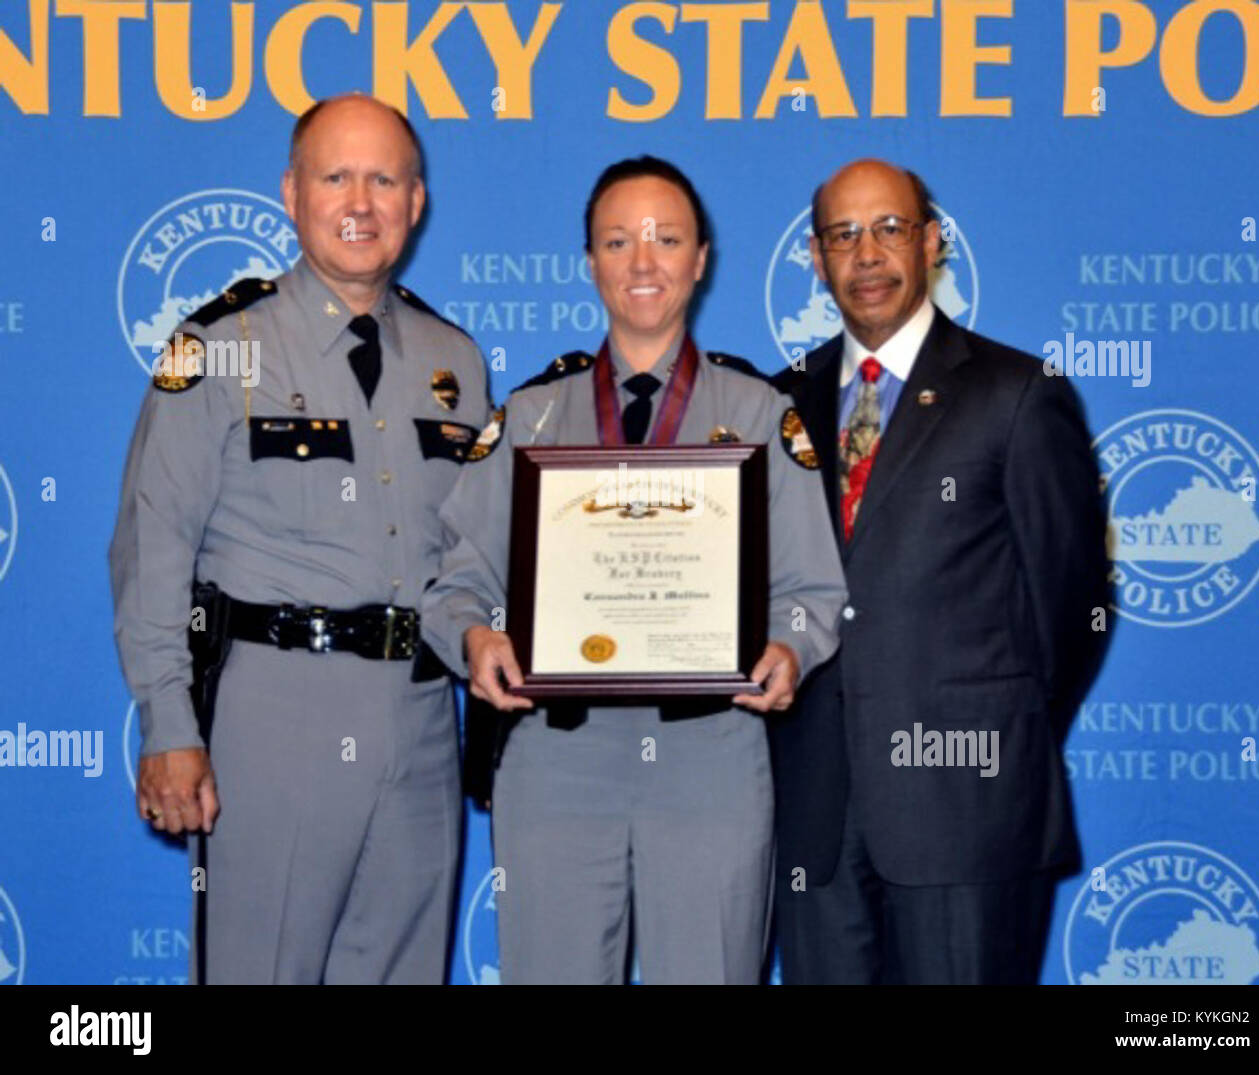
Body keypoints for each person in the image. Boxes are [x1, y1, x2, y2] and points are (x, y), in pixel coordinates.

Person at [422, 156, 846, 984]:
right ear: (589, 263)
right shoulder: (530, 416)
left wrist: (790, 650)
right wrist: (474, 638)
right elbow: (459, 578)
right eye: (618, 241)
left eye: (666, 239)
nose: (642, 262)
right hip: (556, 755)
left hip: (713, 751)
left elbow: (812, 590)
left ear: (701, 258)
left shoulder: (762, 414)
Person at [109, 93, 491, 984]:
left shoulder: (456, 362)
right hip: (275, 716)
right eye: (335, 176)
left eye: (384, 179)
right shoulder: (219, 349)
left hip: (423, 717)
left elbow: (476, 555)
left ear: (417, 201)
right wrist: (169, 724)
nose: (361, 201)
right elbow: (150, 544)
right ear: (290, 192)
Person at [769, 159, 1110, 984]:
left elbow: (1072, 608)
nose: (867, 254)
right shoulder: (775, 401)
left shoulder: (1018, 392)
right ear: (815, 259)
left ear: (932, 242)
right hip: (812, 813)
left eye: (889, 228)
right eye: (843, 235)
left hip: (968, 810)